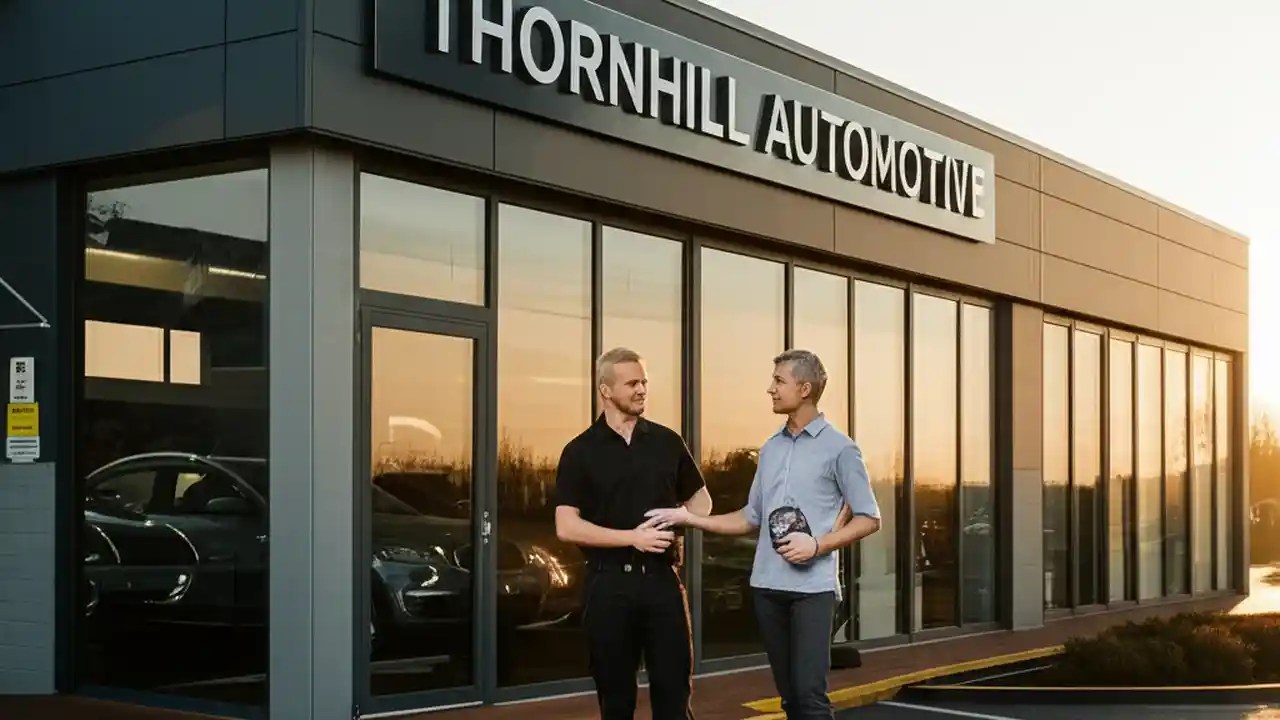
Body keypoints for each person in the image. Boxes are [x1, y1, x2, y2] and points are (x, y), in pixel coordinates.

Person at [645, 349, 880, 720]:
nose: (770, 389)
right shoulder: (770, 448)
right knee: (789, 699)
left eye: (778, 381)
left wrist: (817, 545)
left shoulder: (841, 449)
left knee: (810, 699)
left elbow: (869, 518)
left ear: (804, 389)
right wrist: (687, 518)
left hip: (813, 592)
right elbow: (750, 517)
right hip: (768, 588)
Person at [554, 347, 712, 719]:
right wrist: (632, 538)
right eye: (632, 383)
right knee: (617, 700)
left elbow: (702, 502)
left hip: (662, 584)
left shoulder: (666, 442)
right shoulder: (579, 452)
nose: (642, 389)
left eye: (644, 381)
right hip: (608, 587)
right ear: (605, 391)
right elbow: (566, 526)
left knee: (674, 694)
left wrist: (680, 516)